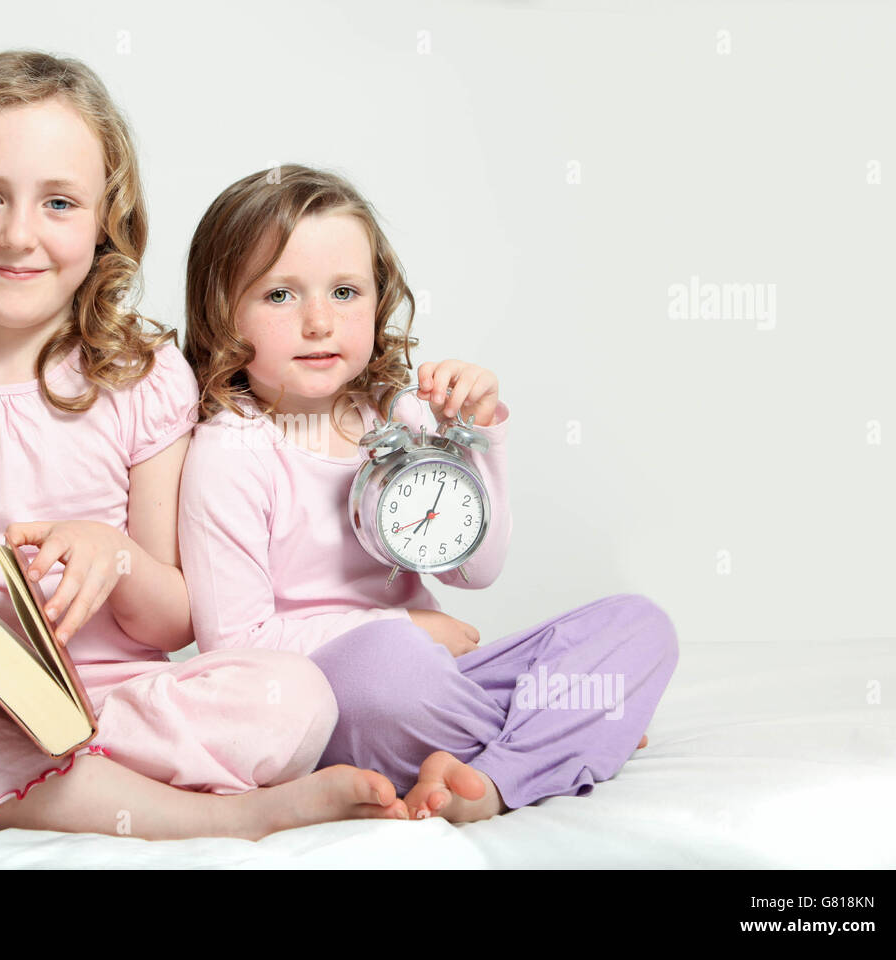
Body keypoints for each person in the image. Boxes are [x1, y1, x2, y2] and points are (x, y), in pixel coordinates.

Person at [0, 56, 407, 854]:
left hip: (118, 701)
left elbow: (182, 616)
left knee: (294, 696)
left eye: (59, 202)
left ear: (108, 219)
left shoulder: (142, 375)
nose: (18, 234)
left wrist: (119, 559)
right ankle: (209, 816)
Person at [178, 164, 676, 822]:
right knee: (388, 664)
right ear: (222, 312)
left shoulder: (402, 416)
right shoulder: (231, 452)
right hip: (343, 700)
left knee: (638, 626)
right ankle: (561, 736)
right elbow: (234, 645)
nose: (319, 321)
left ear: (381, 301)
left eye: (346, 291)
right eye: (279, 295)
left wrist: (477, 436)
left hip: (438, 682)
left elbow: (476, 569)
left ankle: (492, 777)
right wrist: (403, 626)